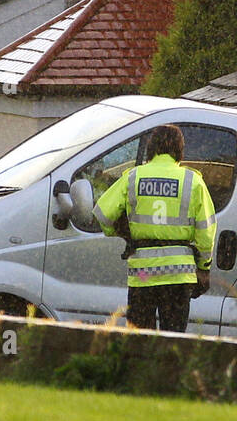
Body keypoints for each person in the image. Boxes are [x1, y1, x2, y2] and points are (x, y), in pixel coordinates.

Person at [93, 124, 216, 332]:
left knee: (140, 342)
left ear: (151, 147)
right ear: (180, 149)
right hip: (179, 275)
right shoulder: (192, 181)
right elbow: (206, 231)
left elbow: (102, 214)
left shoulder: (133, 177)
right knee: (173, 342)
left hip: (143, 275)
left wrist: (121, 233)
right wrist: (204, 268)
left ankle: (143, 365)